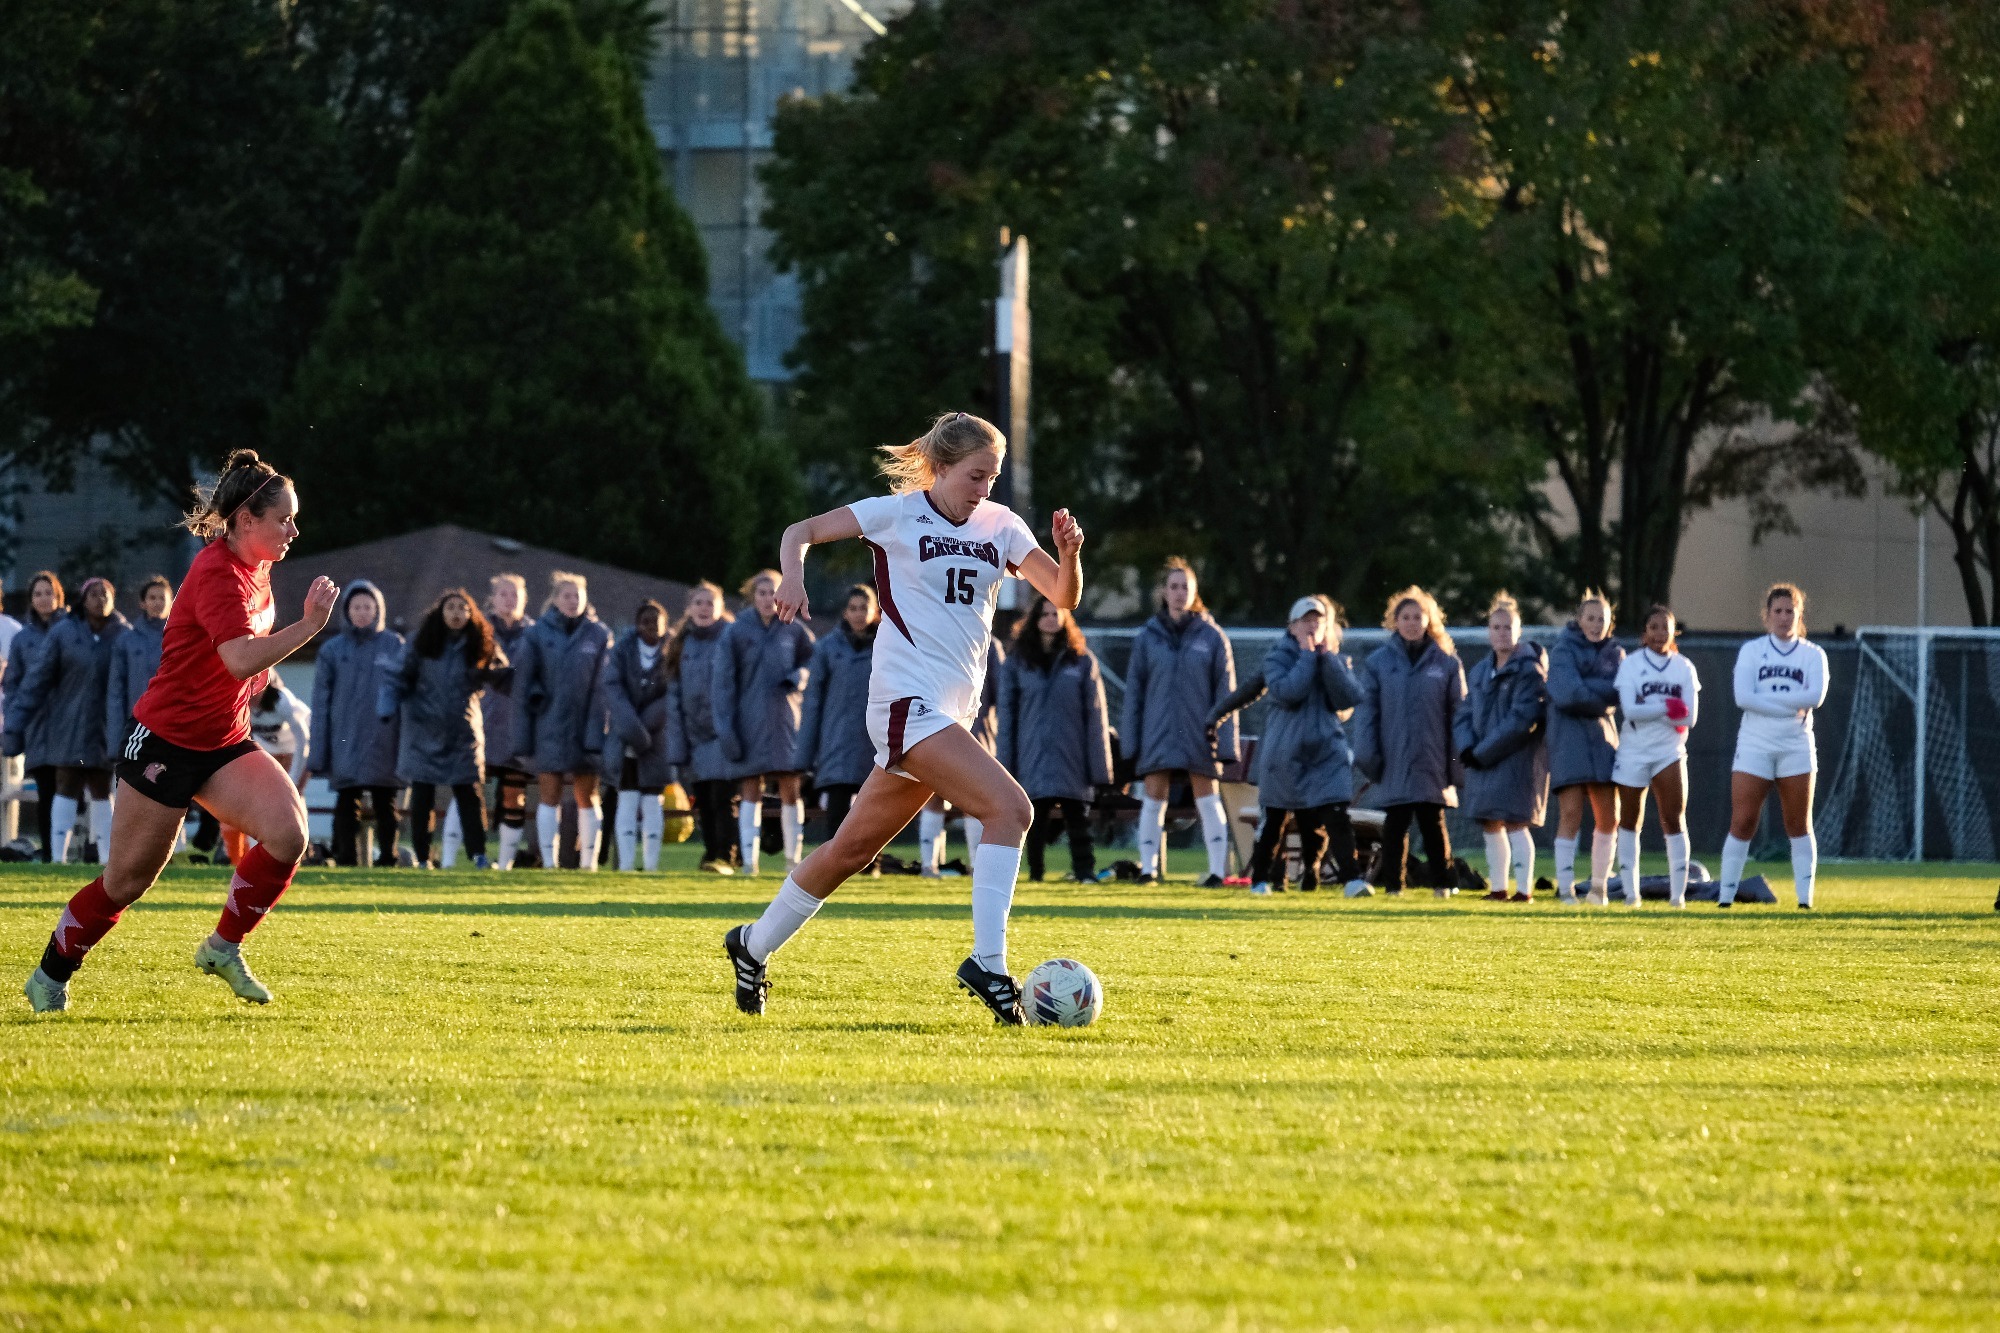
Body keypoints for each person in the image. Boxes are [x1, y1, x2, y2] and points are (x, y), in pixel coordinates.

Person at [723, 411, 1085, 1024]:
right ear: (941, 468)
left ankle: (751, 947)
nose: (984, 490)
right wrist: (792, 577)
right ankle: (989, 966)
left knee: (850, 851)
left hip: (951, 713)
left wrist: (1069, 555)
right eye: (975, 476)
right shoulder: (897, 514)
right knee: (1011, 809)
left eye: (993, 478)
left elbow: (1063, 595)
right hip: (904, 705)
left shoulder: (1001, 524)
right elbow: (799, 530)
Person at [22, 449, 340, 1012]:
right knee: (125, 882)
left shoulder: (258, 567)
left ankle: (222, 947)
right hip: (164, 742)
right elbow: (240, 657)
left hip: (221, 741)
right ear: (246, 522)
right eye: (284, 518)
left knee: (289, 834)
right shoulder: (219, 571)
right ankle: (50, 974)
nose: (295, 528)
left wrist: (262, 680)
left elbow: (241, 667)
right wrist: (309, 627)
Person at [1119, 558, 1238, 886]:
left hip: (1200, 734)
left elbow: (1227, 694)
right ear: (1163, 591)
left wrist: (1225, 742)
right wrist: (1131, 743)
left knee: (1208, 797)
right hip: (1157, 732)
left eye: (1185, 586)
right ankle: (1148, 870)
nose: (1179, 592)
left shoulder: (1213, 638)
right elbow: (1135, 695)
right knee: (1153, 797)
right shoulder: (1147, 637)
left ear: (1195, 592)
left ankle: (1217, 872)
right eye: (1173, 586)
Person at [1243, 596, 1365, 896]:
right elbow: (1289, 692)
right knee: (1275, 822)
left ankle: (1353, 879)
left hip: (1325, 754)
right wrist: (1308, 658)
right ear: (1292, 626)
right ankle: (1261, 880)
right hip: (1284, 755)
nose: (1312, 626)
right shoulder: (1276, 659)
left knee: (1334, 817)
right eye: (1306, 621)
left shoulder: (1336, 660)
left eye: (1318, 620)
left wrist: (1327, 661)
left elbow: (1349, 697)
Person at [381, 588, 509, 870]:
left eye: (462, 608)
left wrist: (503, 675)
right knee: (422, 797)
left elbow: (502, 674)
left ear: (470, 614)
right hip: (423, 730)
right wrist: (387, 705)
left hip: (463, 732)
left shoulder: (481, 644)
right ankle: (423, 857)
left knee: (470, 796)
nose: (456, 613)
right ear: (440, 612)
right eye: (450, 607)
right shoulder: (420, 643)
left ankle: (479, 856)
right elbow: (397, 676)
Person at [1719, 583, 1829, 910]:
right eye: (1777, 611)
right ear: (1766, 616)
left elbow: (1815, 697)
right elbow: (1743, 698)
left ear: (1799, 615)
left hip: (1796, 745)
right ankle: (1725, 897)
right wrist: (1787, 704)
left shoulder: (1813, 654)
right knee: (1743, 821)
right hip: (1755, 744)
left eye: (1790, 611)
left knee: (1798, 823)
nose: (1783, 618)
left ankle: (1805, 900)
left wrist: (1766, 700)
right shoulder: (1752, 651)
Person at [6, 577, 130, 865]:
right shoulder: (64, 633)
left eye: (106, 594)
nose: (100, 599)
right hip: (67, 722)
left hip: (106, 726)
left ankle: (104, 860)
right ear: (83, 600)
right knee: (65, 784)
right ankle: (57, 859)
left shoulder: (124, 635)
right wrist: (14, 725)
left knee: (102, 787)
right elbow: (34, 682)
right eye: (94, 594)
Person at [1353, 586, 1466, 897]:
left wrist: (1457, 765)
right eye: (1406, 617)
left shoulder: (1447, 664)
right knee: (1395, 826)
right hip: (1395, 759)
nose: (1412, 622)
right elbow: (1367, 714)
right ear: (1395, 621)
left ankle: (1444, 886)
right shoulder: (1379, 663)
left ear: (1429, 621)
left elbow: (1460, 718)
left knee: (1433, 824)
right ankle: (1393, 887)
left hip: (1433, 761)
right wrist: (1369, 756)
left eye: (1418, 617)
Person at [1000, 593, 1112, 883]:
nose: (1051, 619)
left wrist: (1099, 768)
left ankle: (1085, 872)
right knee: (1034, 819)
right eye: (1045, 614)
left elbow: (1096, 717)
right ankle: (1036, 874)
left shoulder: (1082, 661)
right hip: (1032, 753)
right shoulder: (1017, 662)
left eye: (1055, 614)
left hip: (1071, 753)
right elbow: (1007, 716)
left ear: (1065, 619)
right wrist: (1005, 765)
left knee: (1078, 817)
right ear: (1034, 620)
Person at [712, 569, 815, 876]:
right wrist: (726, 727)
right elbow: (722, 682)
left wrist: (800, 677)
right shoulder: (735, 631)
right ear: (751, 596)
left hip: (786, 720)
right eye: (762, 593)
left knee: (790, 789)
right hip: (748, 720)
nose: (768, 599)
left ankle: (792, 861)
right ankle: (750, 863)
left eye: (774, 592)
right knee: (750, 790)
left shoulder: (794, 629)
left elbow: (814, 659)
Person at [512, 571, 612, 870]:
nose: (572, 601)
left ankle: (589, 863)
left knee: (587, 795)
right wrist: (535, 699)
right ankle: (549, 862)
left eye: (577, 595)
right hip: (549, 725)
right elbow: (523, 682)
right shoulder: (536, 634)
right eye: (566, 595)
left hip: (586, 726)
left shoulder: (599, 634)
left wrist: (597, 732)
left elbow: (603, 687)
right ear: (555, 599)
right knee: (549, 795)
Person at [1455, 593, 1550, 903]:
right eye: (1496, 627)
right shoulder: (1481, 671)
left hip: (1516, 759)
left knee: (1515, 821)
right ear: (1488, 631)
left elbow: (1522, 720)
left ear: (1518, 630)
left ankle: (1523, 891)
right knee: (1490, 822)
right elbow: (1465, 713)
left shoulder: (1529, 670)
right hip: (1484, 759)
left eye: (1507, 627)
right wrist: (1467, 747)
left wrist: (1482, 752)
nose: (1501, 633)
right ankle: (1498, 888)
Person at [1612, 604, 1701, 908]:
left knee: (1674, 818)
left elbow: (1690, 718)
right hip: (1634, 749)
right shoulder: (1632, 664)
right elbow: (1631, 710)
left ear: (1674, 631)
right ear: (1644, 632)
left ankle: (1678, 896)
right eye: (1653, 627)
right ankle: (1630, 893)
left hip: (1669, 751)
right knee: (1628, 820)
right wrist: (1667, 708)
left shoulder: (1684, 667)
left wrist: (1659, 709)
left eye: (1665, 627)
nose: (1660, 633)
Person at [310, 581, 403, 867]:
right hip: (345, 737)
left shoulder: (394, 645)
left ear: (378, 610)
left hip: (385, 737)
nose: (362, 612)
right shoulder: (332, 650)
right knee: (346, 801)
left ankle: (390, 858)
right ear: (347, 611)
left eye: (368, 607)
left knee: (385, 801)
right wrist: (319, 750)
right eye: (356, 607)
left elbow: (406, 693)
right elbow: (320, 702)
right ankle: (345, 858)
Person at [1545, 590, 1624, 904]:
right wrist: (1602, 698)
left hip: (1603, 741)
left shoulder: (1616, 653)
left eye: (1601, 619)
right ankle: (1565, 890)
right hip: (1568, 742)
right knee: (1571, 813)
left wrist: (1591, 691)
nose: (1595, 624)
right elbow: (1567, 694)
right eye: (1590, 618)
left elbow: (1620, 691)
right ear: (1579, 620)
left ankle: (1599, 889)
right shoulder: (1562, 650)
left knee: (1609, 817)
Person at [795, 585, 879, 850]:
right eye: (853, 608)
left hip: (874, 739)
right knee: (838, 809)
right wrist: (804, 757)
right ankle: (835, 863)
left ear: (875, 611)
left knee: (873, 808)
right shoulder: (826, 648)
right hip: (837, 740)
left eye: (864, 608)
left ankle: (869, 862)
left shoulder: (888, 646)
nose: (858, 614)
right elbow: (813, 702)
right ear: (844, 612)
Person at [665, 580, 736, 873]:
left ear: (721, 607)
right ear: (689, 608)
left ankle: (727, 854)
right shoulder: (683, 643)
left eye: (710, 603)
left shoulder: (731, 637)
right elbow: (675, 692)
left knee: (723, 797)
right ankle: (710, 854)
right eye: (698, 603)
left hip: (724, 732)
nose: (704, 609)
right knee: (704, 798)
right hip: (695, 735)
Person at [601, 599, 674, 871]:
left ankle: (652, 865)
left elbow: (672, 693)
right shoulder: (621, 651)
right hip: (624, 736)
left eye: (657, 620)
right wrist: (632, 728)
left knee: (653, 799)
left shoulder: (672, 652)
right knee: (627, 797)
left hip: (658, 738)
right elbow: (613, 688)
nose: (651, 625)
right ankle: (627, 865)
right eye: (646, 620)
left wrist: (646, 726)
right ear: (636, 623)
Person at [4, 572, 67, 860]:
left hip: (70, 721)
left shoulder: (70, 631)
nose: (44, 599)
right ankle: (51, 853)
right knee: (45, 789)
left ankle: (74, 851)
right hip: (38, 725)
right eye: (38, 594)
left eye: (49, 593)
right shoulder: (22, 639)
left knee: (69, 790)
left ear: (59, 597)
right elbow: (13, 684)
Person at [482, 574, 535, 869]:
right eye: (503, 594)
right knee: (469, 791)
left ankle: (505, 863)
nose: (509, 599)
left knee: (515, 795)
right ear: (493, 598)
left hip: (519, 725)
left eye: (515, 594)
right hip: (482, 724)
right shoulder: (479, 631)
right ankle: (459, 859)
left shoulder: (536, 634)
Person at [107, 575, 172, 760]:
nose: (157, 603)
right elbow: (116, 693)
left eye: (162, 598)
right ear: (142, 603)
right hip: (137, 726)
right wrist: (115, 742)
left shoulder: (181, 639)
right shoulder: (126, 640)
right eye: (152, 598)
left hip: (173, 725)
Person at [249, 680, 311, 788]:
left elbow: (302, 740)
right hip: (272, 748)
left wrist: (294, 778)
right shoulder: (240, 702)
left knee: (293, 793)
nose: (251, 693)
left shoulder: (281, 700)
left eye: (254, 686)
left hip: (298, 746)